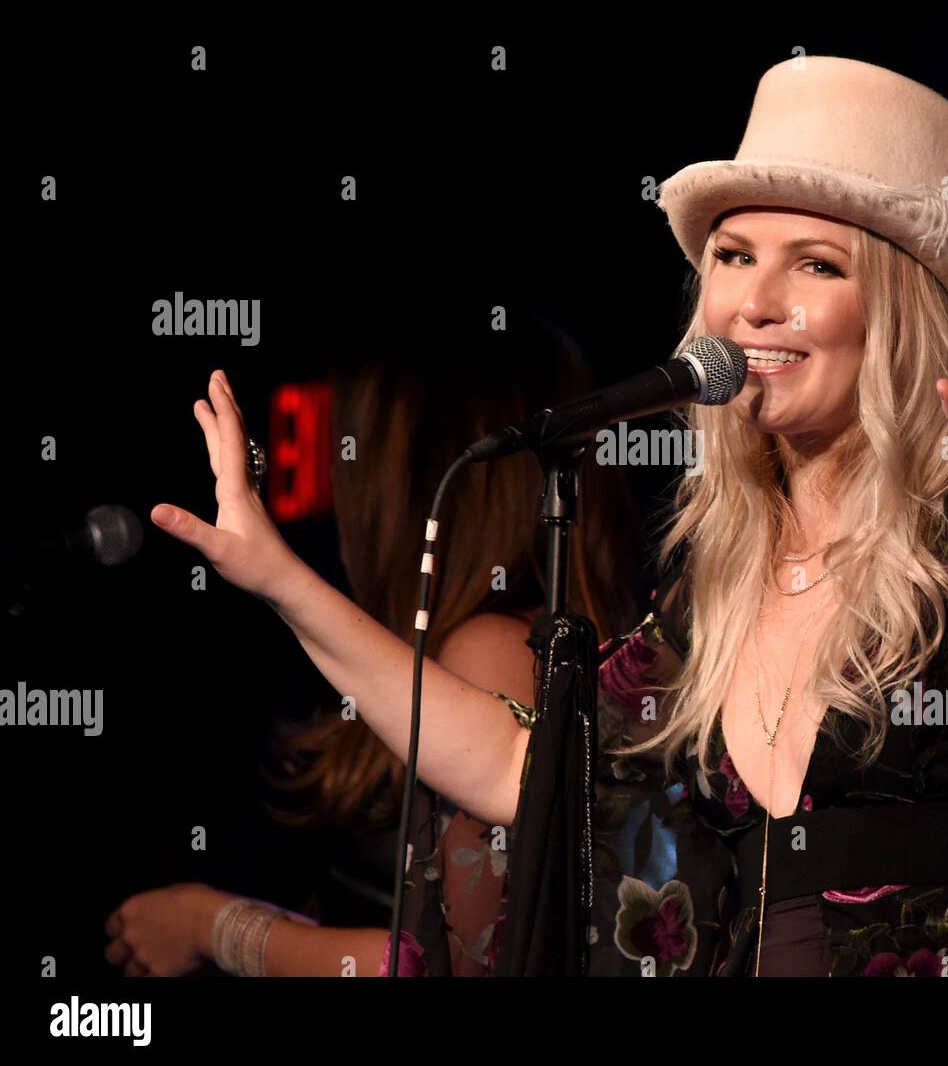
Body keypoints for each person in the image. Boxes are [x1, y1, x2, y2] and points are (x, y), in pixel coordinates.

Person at [146, 56, 948, 977]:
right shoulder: (717, 584)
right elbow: (515, 767)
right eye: (732, 256)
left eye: (814, 264)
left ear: (899, 316)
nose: (753, 299)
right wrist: (282, 581)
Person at [104, 319, 640, 977]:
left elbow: (477, 963)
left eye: (350, 444)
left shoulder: (490, 648)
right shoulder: (483, 636)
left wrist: (217, 926)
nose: (338, 470)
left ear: (407, 470)